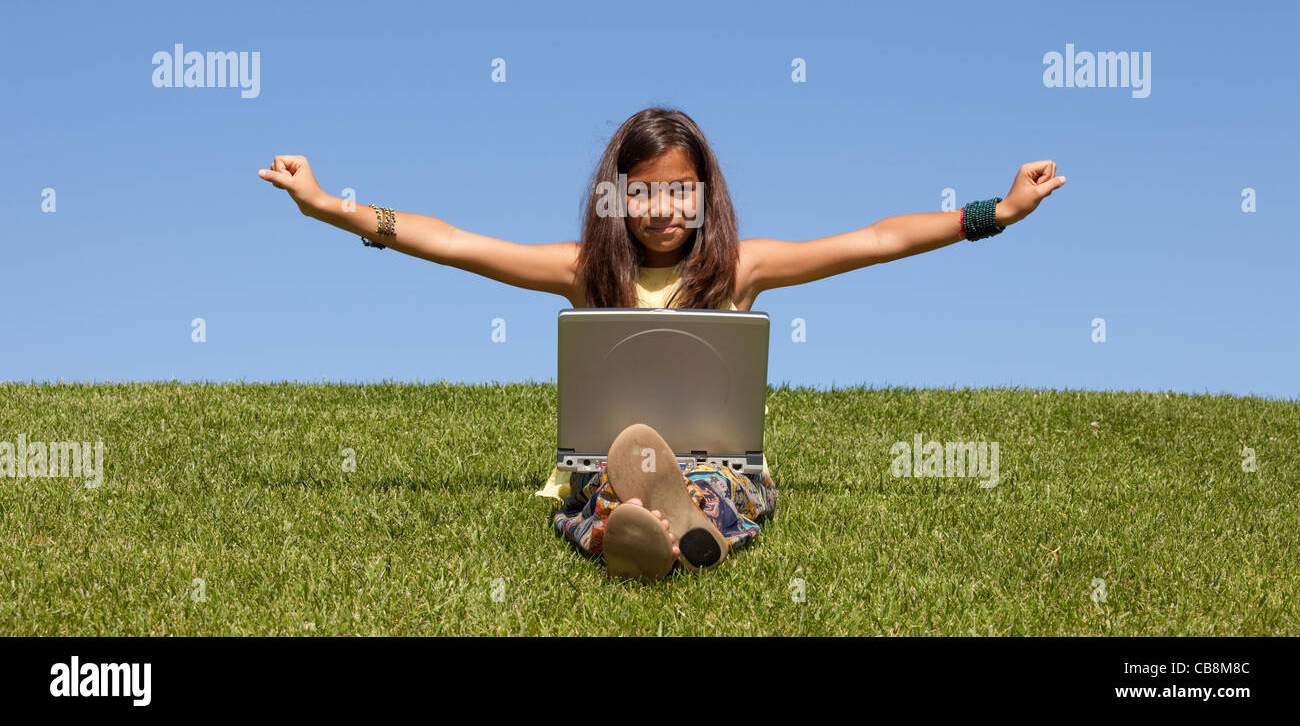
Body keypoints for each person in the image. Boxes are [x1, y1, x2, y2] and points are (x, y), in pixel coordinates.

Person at [257, 106, 1067, 581]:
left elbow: (876, 239)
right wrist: (329, 207)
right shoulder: (583, 272)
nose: (664, 210)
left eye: (681, 190)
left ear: (704, 194)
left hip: (720, 458)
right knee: (601, 485)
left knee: (721, 481)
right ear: (616, 199)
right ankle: (650, 528)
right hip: (605, 457)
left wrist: (995, 212)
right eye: (644, 194)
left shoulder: (743, 268)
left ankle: (663, 527)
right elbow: (457, 242)